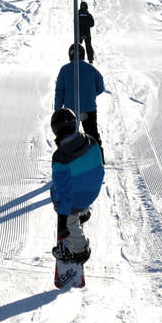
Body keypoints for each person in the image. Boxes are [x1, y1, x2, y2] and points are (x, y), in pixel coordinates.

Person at [49, 107, 104, 264]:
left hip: (78, 197)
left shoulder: (60, 157)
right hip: (93, 191)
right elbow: (99, 167)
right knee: (79, 181)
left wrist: (62, 221)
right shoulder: (91, 140)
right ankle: (83, 212)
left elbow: (64, 193)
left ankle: (79, 251)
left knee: (58, 196)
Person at [54, 43, 106, 154]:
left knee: (70, 137)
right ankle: (98, 159)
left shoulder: (64, 70)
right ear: (83, 54)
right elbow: (101, 87)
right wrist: (89, 95)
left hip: (70, 111)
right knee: (92, 135)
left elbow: (59, 92)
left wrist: (58, 111)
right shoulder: (91, 69)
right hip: (89, 108)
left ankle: (71, 159)